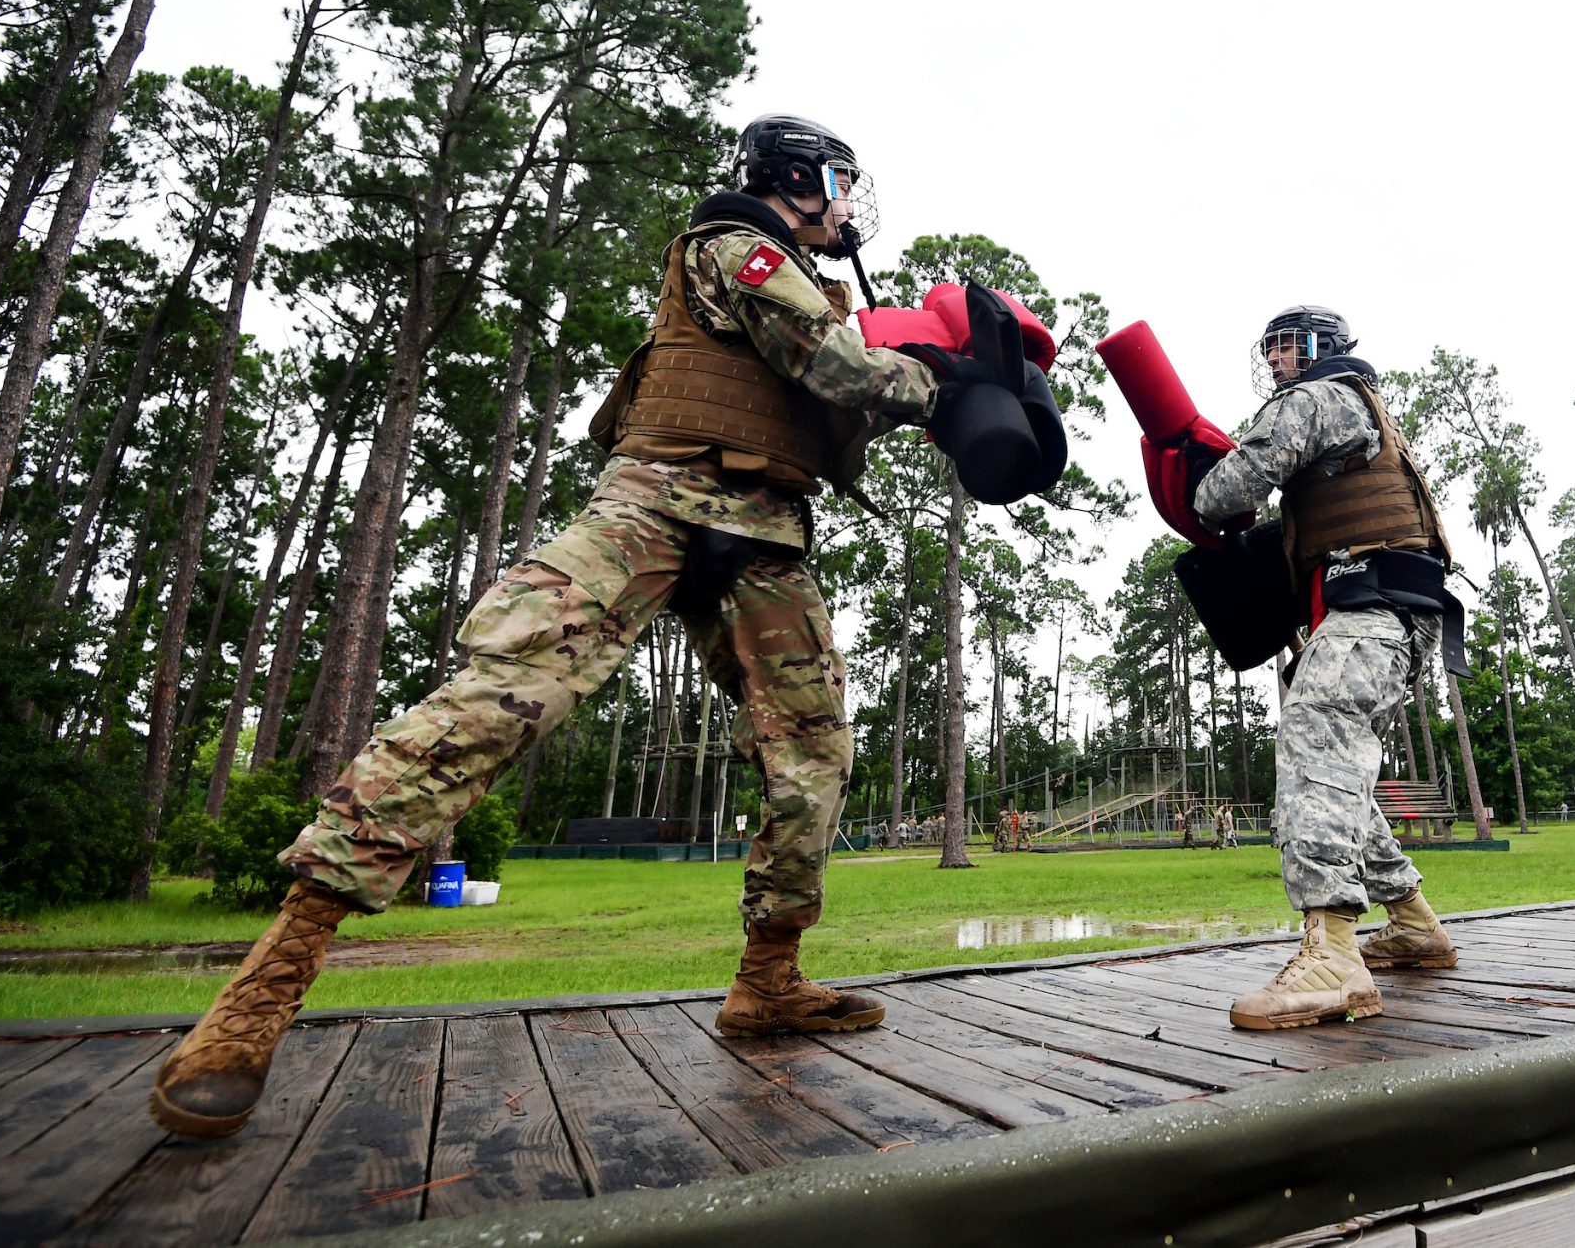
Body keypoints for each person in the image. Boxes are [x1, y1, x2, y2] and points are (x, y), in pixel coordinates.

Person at [150, 114, 986, 1139]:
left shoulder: (814, 282)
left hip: (764, 529)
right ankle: (259, 994)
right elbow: (842, 373)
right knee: (502, 697)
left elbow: (826, 399)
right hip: (655, 504)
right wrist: (947, 378)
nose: (849, 207)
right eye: (840, 184)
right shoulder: (737, 247)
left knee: (811, 753)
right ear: (798, 179)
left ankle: (769, 979)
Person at [1190, 305, 1461, 1032]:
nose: (1277, 361)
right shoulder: (1362, 408)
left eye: (1288, 346)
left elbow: (1223, 493)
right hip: (1386, 606)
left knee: (1312, 738)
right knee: (1335, 767)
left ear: (1320, 350)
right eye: (1271, 349)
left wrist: (1193, 479)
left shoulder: (1316, 398)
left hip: (1375, 605)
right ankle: (1413, 922)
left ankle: (1333, 955)